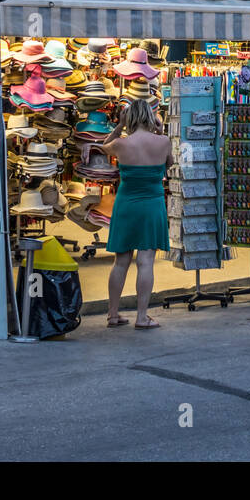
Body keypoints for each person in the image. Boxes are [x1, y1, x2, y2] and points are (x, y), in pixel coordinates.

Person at [99, 99, 172, 330]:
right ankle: (142, 316)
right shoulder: (163, 141)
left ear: (129, 119)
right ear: (151, 118)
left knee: (120, 261)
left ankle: (112, 314)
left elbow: (103, 145)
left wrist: (119, 127)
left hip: (127, 203)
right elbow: (169, 165)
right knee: (146, 261)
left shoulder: (121, 144)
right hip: (152, 204)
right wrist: (161, 131)